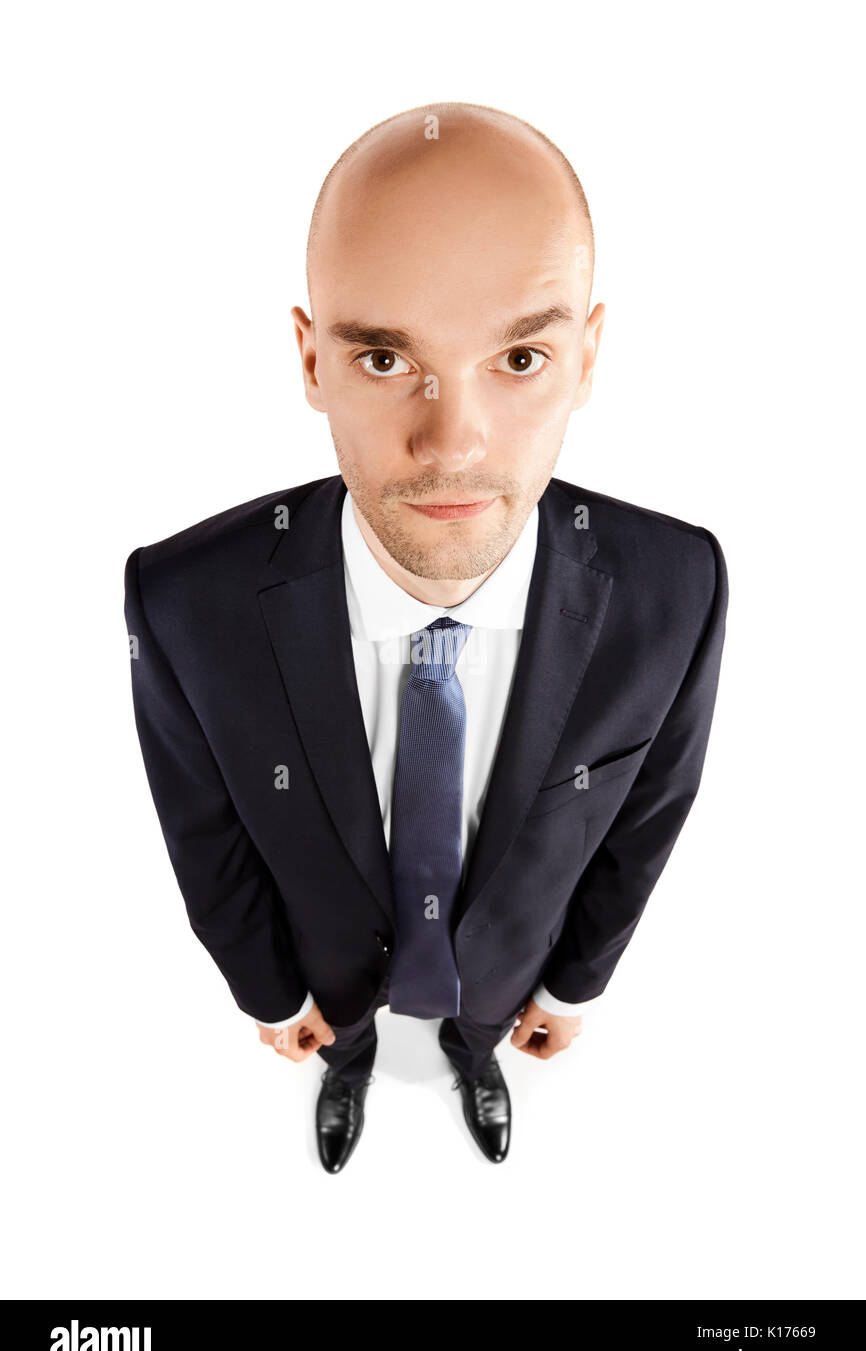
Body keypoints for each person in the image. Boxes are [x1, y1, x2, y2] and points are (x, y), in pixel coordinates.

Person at [124, 101, 727, 1174]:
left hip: (507, 977)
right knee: (338, 1038)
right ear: (310, 360)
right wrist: (271, 991)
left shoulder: (677, 587)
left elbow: (646, 815)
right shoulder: (182, 600)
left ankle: (470, 1051)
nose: (452, 442)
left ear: (587, 356)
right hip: (323, 976)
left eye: (521, 359)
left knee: (476, 1027)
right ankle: (349, 1062)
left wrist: (570, 982)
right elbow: (202, 831)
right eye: (385, 360)